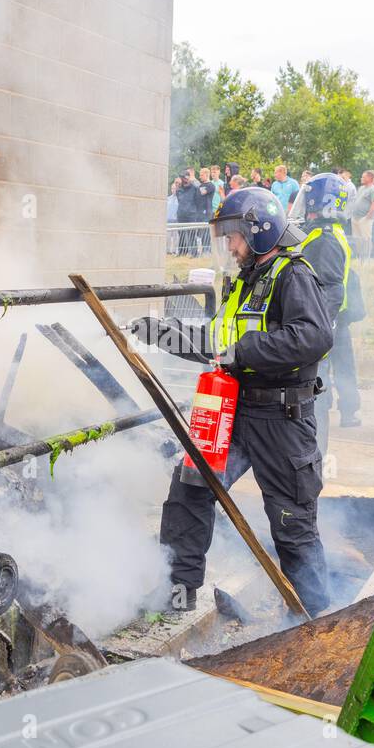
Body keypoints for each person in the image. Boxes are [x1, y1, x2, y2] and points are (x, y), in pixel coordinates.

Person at [131, 186, 332, 616]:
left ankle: (314, 620)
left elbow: (314, 336)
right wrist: (163, 334)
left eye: (234, 235)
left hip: (282, 419)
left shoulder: (293, 275)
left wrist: (248, 351)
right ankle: (177, 590)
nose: (229, 245)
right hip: (234, 412)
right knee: (189, 490)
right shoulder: (245, 281)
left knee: (291, 523)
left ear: (259, 231)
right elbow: (222, 343)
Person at [293, 172, 356, 452]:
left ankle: (313, 460)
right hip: (319, 327)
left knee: (313, 399)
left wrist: (313, 332)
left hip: (315, 330)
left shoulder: (325, 239)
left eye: (308, 197)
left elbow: (330, 290)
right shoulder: (323, 233)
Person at [350, 170, 374, 259]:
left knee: (366, 239)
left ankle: (366, 259)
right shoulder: (361, 188)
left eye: (363, 177)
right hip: (355, 217)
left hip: (365, 218)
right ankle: (359, 257)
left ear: (370, 178)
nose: (361, 178)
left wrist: (368, 216)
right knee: (357, 239)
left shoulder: (373, 189)